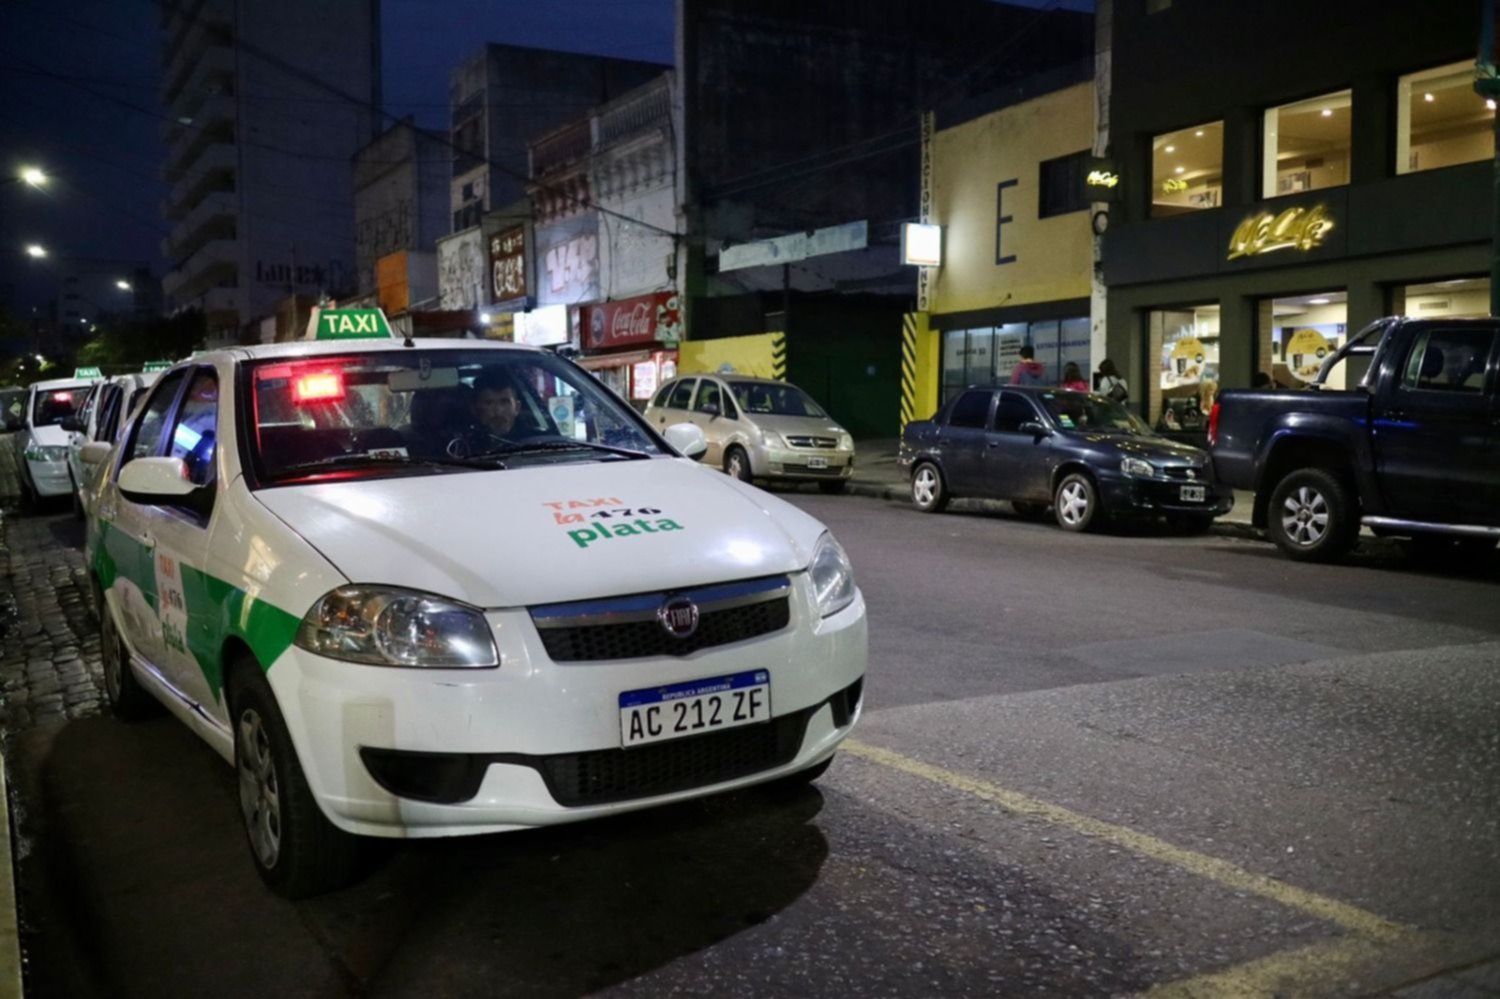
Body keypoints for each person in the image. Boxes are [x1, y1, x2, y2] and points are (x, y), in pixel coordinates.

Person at [448, 371, 522, 457]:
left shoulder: (536, 441)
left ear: (517, 408)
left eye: (504, 402)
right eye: (489, 403)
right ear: (474, 409)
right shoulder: (461, 447)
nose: (498, 411)